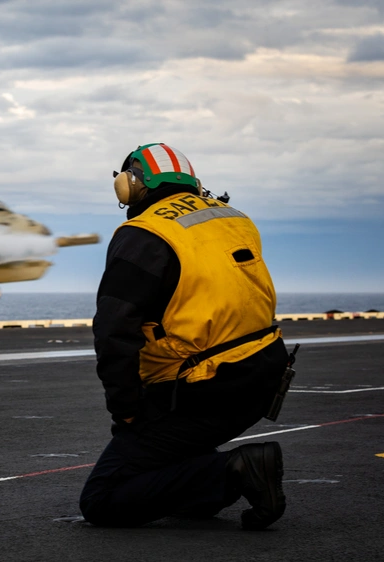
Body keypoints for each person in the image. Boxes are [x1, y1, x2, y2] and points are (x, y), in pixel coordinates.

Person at [78, 143, 289, 530]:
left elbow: (113, 332)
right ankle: (204, 485)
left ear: (129, 185)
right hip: (263, 379)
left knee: (102, 500)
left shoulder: (145, 233)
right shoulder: (235, 218)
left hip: (200, 391)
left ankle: (236, 470)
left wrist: (126, 412)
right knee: (166, 466)